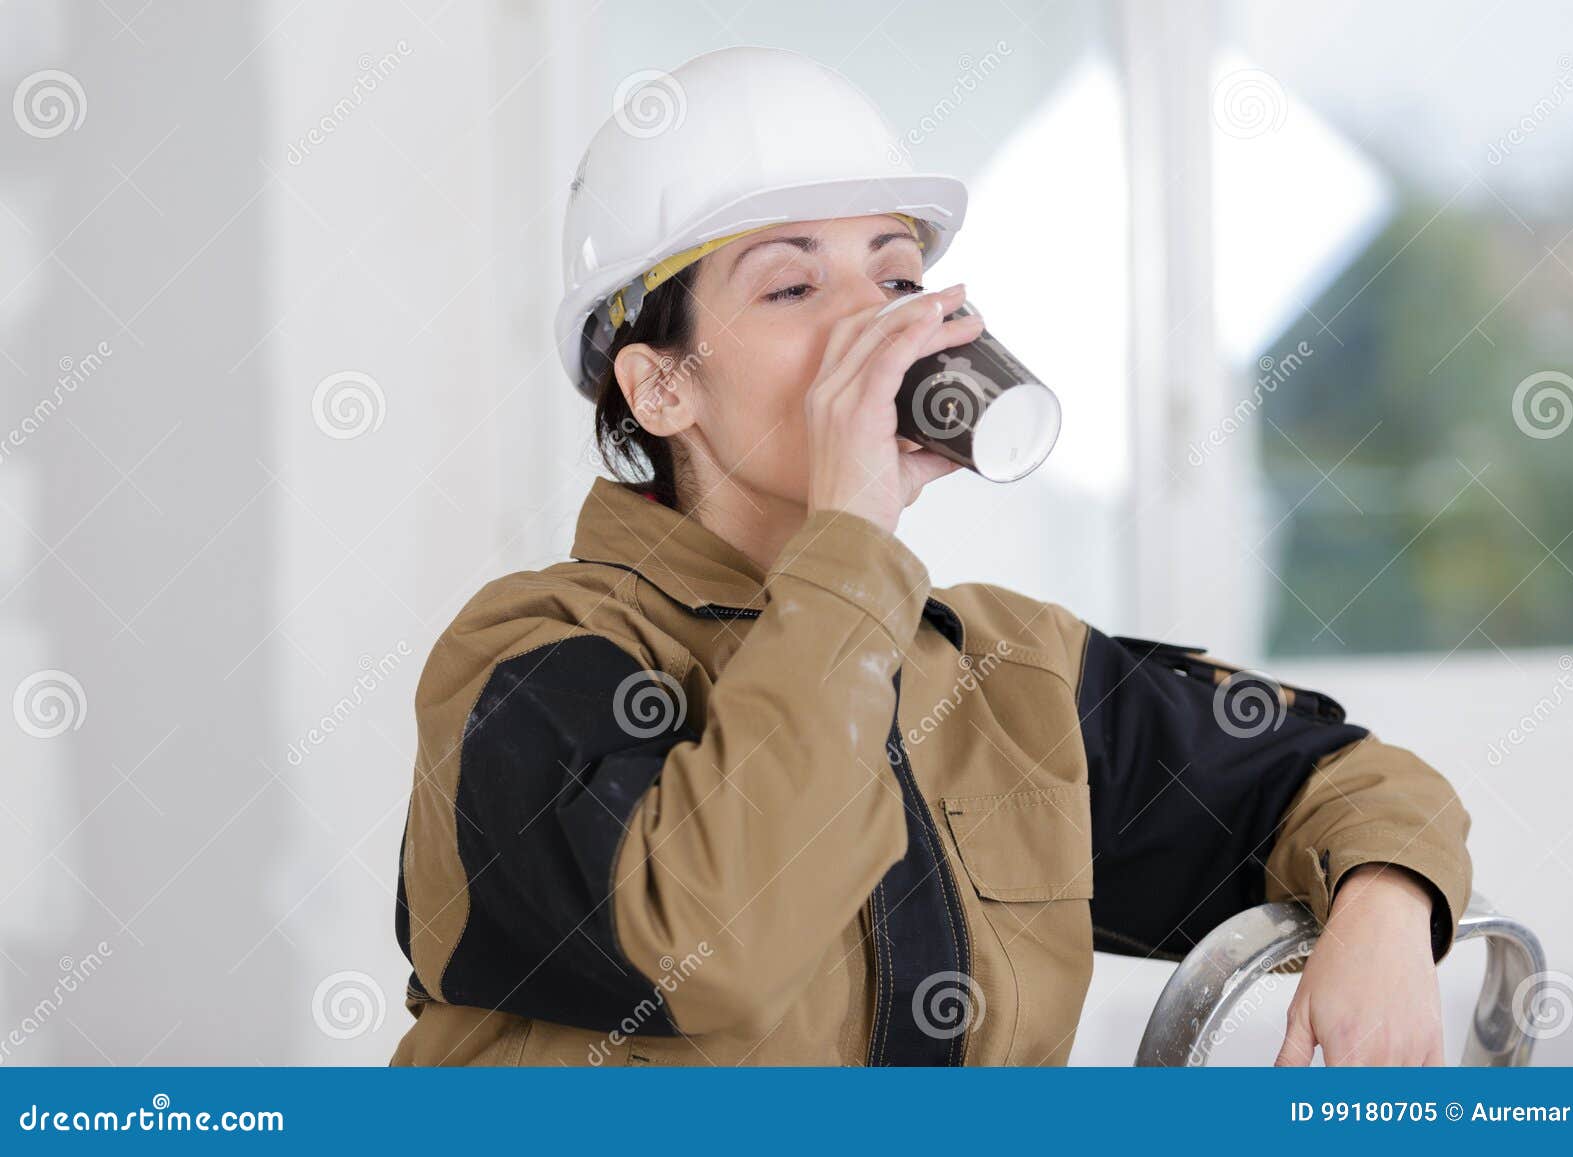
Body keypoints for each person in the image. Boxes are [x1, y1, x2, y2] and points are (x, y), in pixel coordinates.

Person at [390, 46, 1470, 1067]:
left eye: (896, 280)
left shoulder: (1006, 671)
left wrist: (1382, 904)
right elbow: (714, 942)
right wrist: (851, 532)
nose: (876, 325)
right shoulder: (528, 657)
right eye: (792, 286)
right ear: (661, 386)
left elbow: (1333, 774)